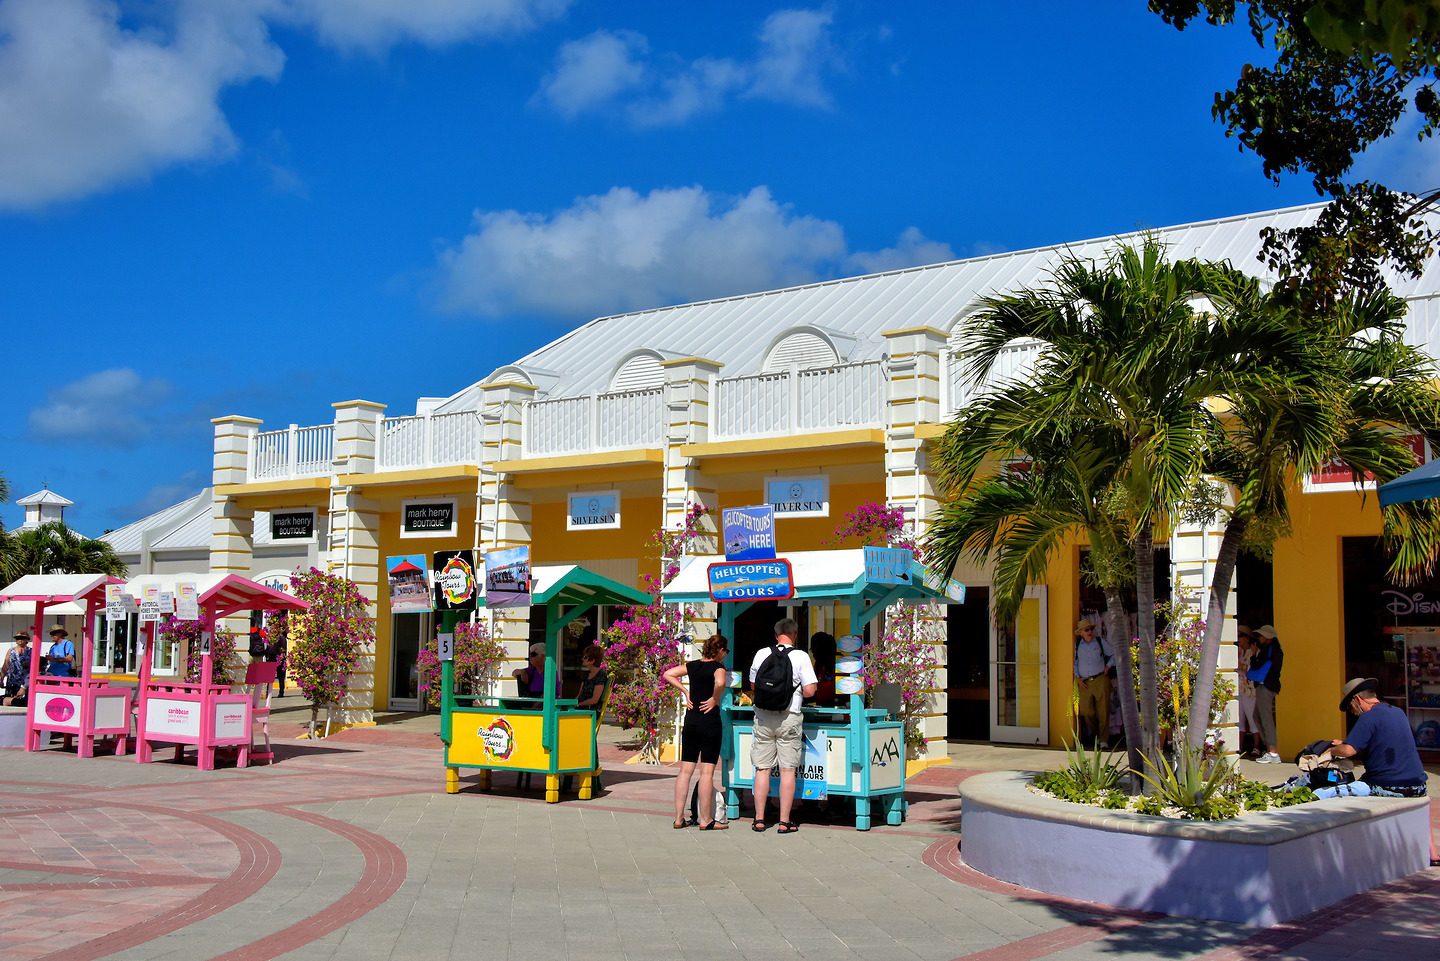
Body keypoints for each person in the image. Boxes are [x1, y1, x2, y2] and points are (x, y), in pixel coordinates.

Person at [748, 617, 818, 834]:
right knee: (788, 770)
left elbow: (753, 684)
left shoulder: (761, 653)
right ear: (795, 634)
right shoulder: (801, 656)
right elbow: (810, 691)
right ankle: (784, 821)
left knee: (762, 769)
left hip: (763, 716)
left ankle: (759, 819)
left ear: (775, 633)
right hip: (789, 716)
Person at [663, 635, 730, 830]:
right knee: (707, 772)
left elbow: (668, 674)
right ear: (720, 651)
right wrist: (715, 699)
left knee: (685, 770)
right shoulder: (718, 667)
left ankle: (678, 818)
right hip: (710, 722)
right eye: (725, 651)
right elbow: (719, 683)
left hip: (691, 720)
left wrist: (685, 691)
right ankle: (705, 819)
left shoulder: (692, 666)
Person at [1328, 678, 1428, 797]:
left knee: (1335, 791)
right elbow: (1383, 739)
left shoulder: (1368, 717)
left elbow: (1348, 751)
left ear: (1357, 699)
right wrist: (1345, 741)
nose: (1352, 711)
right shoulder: (1398, 712)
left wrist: (1331, 751)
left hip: (1390, 786)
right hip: (1419, 785)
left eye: (1350, 706)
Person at [1073, 619, 1114, 746]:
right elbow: (1075, 662)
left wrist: (1108, 666)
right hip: (1084, 682)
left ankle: (1103, 740)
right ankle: (1096, 734)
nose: (1090, 632)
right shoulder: (1077, 645)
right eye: (1086, 630)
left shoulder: (1100, 642)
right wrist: (1077, 678)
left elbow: (1113, 655)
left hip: (1100, 679)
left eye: (1091, 629)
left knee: (1103, 710)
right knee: (1086, 711)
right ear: (1081, 633)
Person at [1249, 625, 1284, 762]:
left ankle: (1273, 752)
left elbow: (1257, 665)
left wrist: (1253, 655)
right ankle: (1268, 748)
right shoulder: (1270, 650)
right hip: (1265, 686)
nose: (1260, 638)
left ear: (1269, 636)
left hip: (1266, 687)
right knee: (1256, 716)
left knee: (1266, 718)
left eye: (1262, 635)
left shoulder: (1271, 651)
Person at [1235, 626, 1262, 758]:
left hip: (1250, 689)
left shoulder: (1252, 652)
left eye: (1240, 636)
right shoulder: (1238, 651)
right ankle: (1239, 747)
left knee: (1252, 718)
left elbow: (1252, 669)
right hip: (1238, 688)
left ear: (1247, 638)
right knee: (1238, 719)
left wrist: (1240, 666)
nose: (1238, 639)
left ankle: (1257, 747)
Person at [2, 631, 34, 706]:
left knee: (23, 703)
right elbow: (5, 665)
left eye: (22, 638)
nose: (20, 640)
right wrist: (1, 678)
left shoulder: (31, 651)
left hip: (25, 683)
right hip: (12, 681)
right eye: (18, 638)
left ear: (27, 640)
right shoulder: (11, 651)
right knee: (10, 702)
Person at [575, 644, 608, 712]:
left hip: (591, 711)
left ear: (592, 660)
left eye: (585, 657)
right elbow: (579, 696)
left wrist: (579, 704)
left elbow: (595, 699)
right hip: (581, 709)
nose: (582, 659)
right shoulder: (587, 675)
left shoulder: (601, 675)